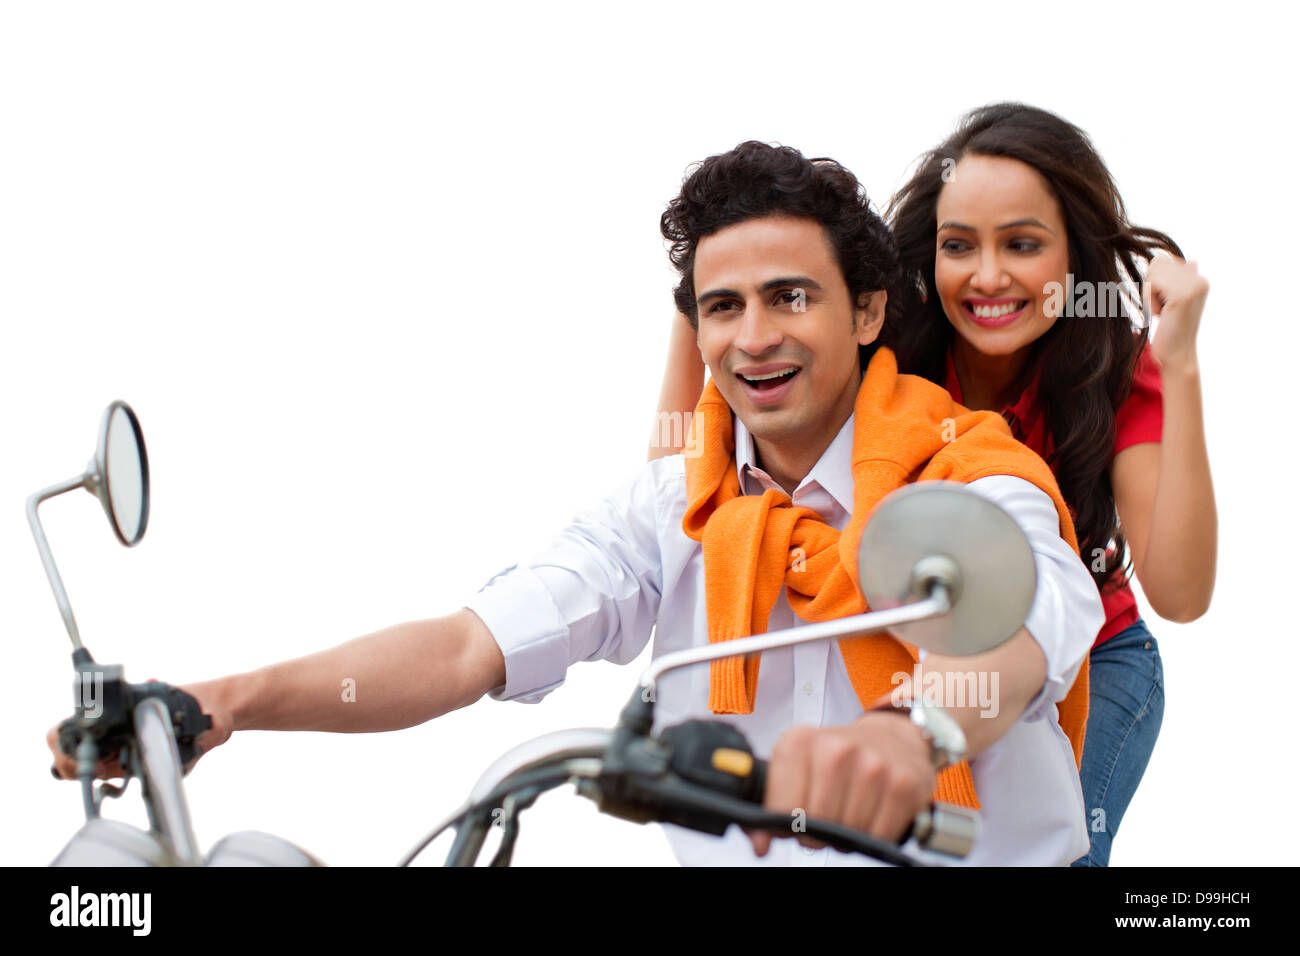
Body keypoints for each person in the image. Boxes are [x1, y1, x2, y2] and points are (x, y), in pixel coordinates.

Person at [51, 141, 1104, 866]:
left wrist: (912, 732)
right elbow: (467, 647)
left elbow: (1028, 636)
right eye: (721, 307)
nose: (752, 338)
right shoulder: (671, 506)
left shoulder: (968, 469)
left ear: (868, 308)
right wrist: (227, 699)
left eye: (790, 297)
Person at [654, 106, 1217, 867]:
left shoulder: (1115, 371)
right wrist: (708, 291)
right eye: (959, 246)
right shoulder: (881, 343)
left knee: (1050, 847)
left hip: (1090, 649)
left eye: (1022, 244)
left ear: (1073, 259)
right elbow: (683, 479)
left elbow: (1181, 596)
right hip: (910, 630)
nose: (987, 277)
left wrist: (1177, 362)